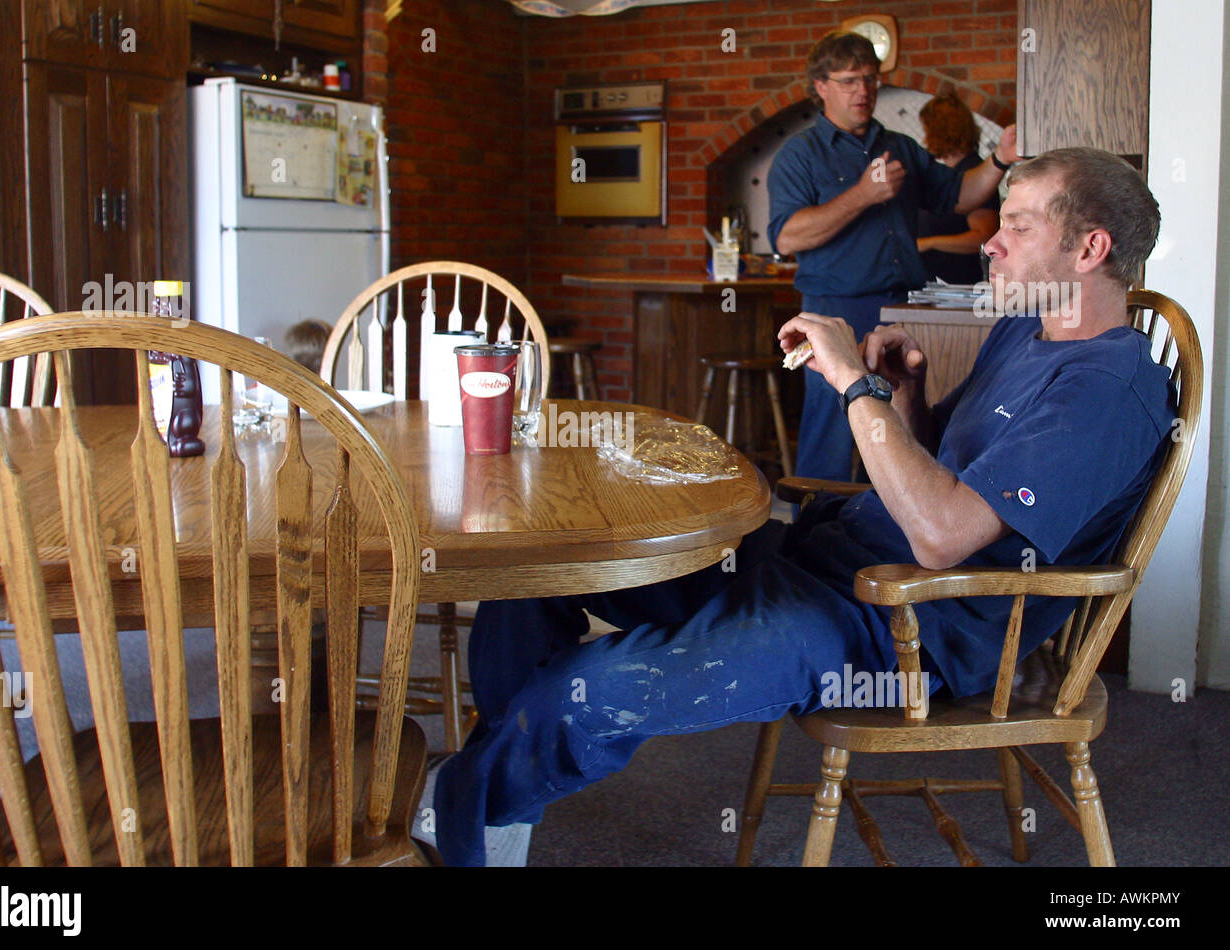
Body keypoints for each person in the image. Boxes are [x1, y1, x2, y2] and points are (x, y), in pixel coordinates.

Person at [434, 148, 1174, 867]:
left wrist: (854, 384)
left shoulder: (1107, 390)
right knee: (544, 569)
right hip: (822, 562)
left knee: (591, 691)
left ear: (1089, 249)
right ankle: (496, 805)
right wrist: (900, 392)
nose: (993, 245)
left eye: (1018, 226)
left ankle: (459, 803)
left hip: (899, 628)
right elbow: (941, 466)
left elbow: (945, 535)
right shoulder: (1026, 331)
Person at [766, 31, 1017, 481]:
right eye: (847, 81)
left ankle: (877, 537)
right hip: (831, 312)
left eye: (869, 79)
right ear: (820, 86)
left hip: (900, 308)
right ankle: (809, 543)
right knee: (832, 435)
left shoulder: (899, 145)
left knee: (897, 434)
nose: (862, 91)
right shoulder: (799, 154)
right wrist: (863, 194)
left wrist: (1000, 158)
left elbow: (959, 196)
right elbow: (786, 238)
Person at [916, 93, 1000, 284]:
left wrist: (929, 243)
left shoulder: (973, 174)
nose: (925, 138)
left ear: (939, 131)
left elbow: (983, 236)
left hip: (959, 285)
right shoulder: (947, 175)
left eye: (927, 130)